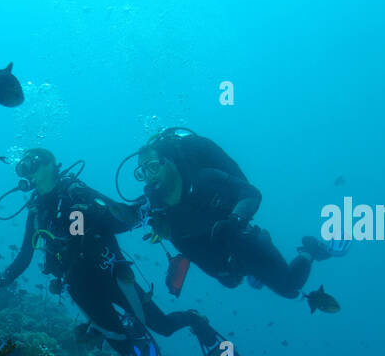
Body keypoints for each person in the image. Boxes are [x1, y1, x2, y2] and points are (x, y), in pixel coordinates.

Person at [0, 148, 246, 356]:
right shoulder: (36, 210)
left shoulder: (78, 193)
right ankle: (131, 328)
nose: (29, 171)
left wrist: (144, 204)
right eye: (24, 167)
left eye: (33, 164)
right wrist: (3, 278)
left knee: (164, 327)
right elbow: (25, 254)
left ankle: (195, 321)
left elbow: (122, 219)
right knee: (123, 346)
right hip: (78, 286)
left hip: (111, 275)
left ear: (50, 165)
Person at [133, 127, 337, 298]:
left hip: (241, 239)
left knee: (289, 288)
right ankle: (254, 270)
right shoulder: (153, 206)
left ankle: (309, 251)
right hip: (223, 264)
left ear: (167, 162)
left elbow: (250, 193)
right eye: (142, 172)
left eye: (152, 167)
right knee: (232, 282)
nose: (149, 177)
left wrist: (236, 219)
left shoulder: (203, 179)